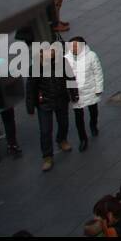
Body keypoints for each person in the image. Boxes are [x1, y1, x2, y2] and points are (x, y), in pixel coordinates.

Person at [26, 44, 76, 172]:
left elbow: (70, 78)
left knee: (64, 123)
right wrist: (30, 106)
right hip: (44, 103)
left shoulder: (62, 62)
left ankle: (61, 139)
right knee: (45, 130)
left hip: (61, 99)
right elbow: (30, 88)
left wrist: (74, 94)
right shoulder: (35, 68)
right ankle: (47, 156)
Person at [67, 37, 103, 152]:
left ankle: (93, 124)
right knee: (78, 117)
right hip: (76, 93)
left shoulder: (91, 56)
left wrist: (99, 88)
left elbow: (98, 73)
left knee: (93, 110)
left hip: (90, 90)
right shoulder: (66, 59)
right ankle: (83, 139)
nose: (73, 48)